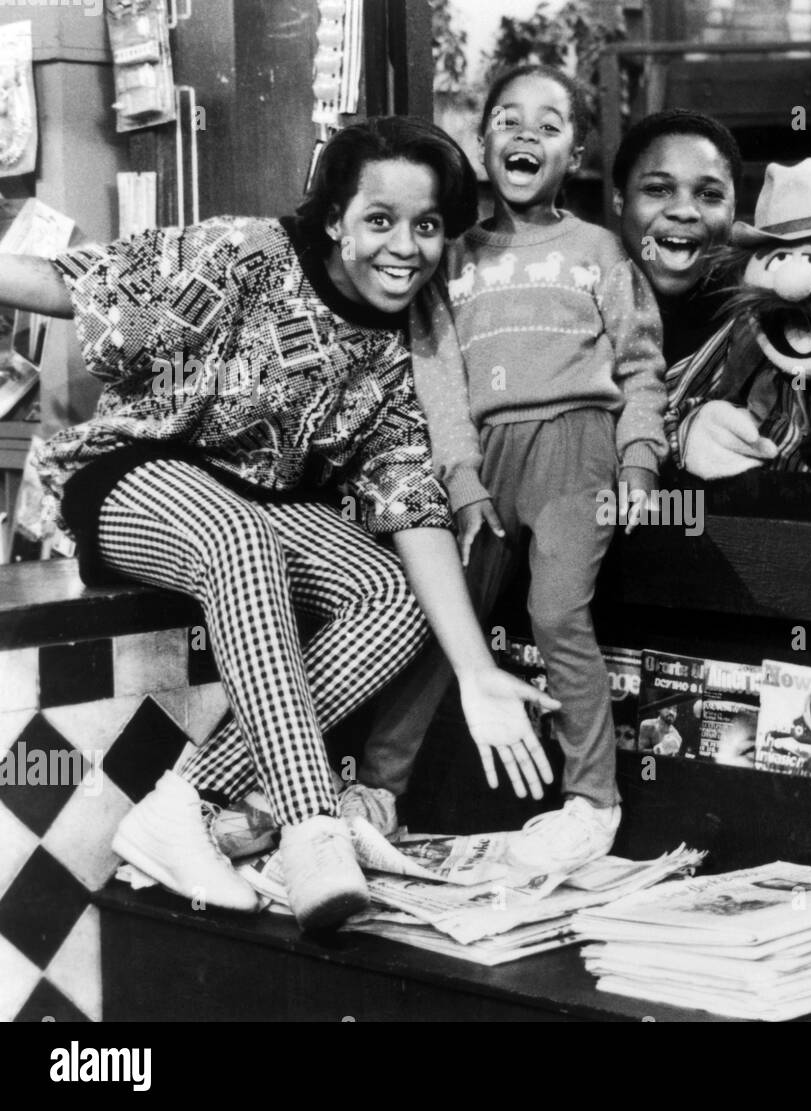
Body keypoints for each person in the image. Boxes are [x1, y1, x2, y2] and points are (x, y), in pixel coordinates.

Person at [15, 117, 556, 932]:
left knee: (391, 592)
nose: (405, 246)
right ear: (336, 217)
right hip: (128, 479)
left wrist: (476, 670)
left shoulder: (399, 345)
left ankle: (183, 804)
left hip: (261, 512)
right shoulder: (245, 254)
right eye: (381, 220)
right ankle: (311, 828)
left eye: (428, 225)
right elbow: (79, 282)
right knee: (239, 535)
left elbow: (412, 502)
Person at [407, 64, 669, 871]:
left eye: (550, 125)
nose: (526, 134)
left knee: (558, 613)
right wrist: (460, 478)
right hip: (484, 459)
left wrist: (638, 461)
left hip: (576, 445)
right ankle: (377, 791)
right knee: (434, 622)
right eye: (508, 120)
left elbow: (641, 366)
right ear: (481, 142)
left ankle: (593, 801)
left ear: (576, 153)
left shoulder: (601, 249)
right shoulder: (445, 260)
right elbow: (437, 381)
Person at [611, 108, 742, 367]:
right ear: (619, 200)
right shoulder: (579, 305)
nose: (684, 211)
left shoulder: (757, 320)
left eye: (709, 194)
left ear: (733, 210)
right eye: (657, 189)